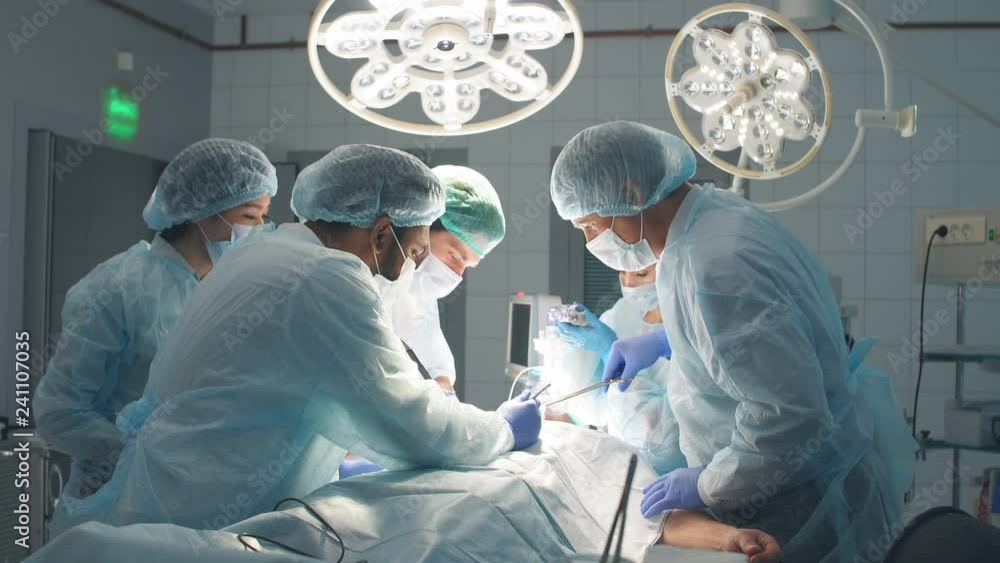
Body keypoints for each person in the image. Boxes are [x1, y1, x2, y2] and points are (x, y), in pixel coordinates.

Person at [47, 144, 541, 536]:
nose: (410, 271)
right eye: (414, 254)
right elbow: (414, 423)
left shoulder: (262, 251)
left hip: (164, 504)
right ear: (382, 234)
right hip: (199, 522)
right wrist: (502, 429)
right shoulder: (327, 277)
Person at [549, 121, 915, 563]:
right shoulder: (715, 218)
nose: (591, 242)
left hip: (797, 504)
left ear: (628, 190)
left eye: (590, 225)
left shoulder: (714, 264)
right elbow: (760, 333)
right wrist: (669, 341)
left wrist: (706, 483)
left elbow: (789, 419)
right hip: (804, 484)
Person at [28, 423, 784, 563]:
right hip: (336, 522)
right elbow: (431, 451)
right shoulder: (504, 434)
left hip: (460, 543)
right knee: (108, 548)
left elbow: (663, 518)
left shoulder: (617, 455)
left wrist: (733, 537)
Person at [35, 139, 277, 503]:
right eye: (248, 216)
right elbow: (60, 413)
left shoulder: (228, 288)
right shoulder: (117, 288)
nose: (259, 229)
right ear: (202, 210)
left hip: (200, 500)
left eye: (264, 216)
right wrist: (150, 454)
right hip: (112, 505)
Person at [554, 264, 686, 475]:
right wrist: (576, 353)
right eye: (621, 271)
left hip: (667, 478)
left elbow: (659, 441)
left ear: (670, 260)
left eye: (641, 273)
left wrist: (611, 353)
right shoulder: (624, 311)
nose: (628, 284)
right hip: (620, 466)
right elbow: (594, 410)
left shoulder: (692, 328)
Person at [391, 165, 506, 396]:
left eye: (466, 266)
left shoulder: (410, 286)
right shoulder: (360, 283)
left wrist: (444, 381)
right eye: (454, 256)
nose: (455, 274)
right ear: (423, 227)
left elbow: (424, 327)